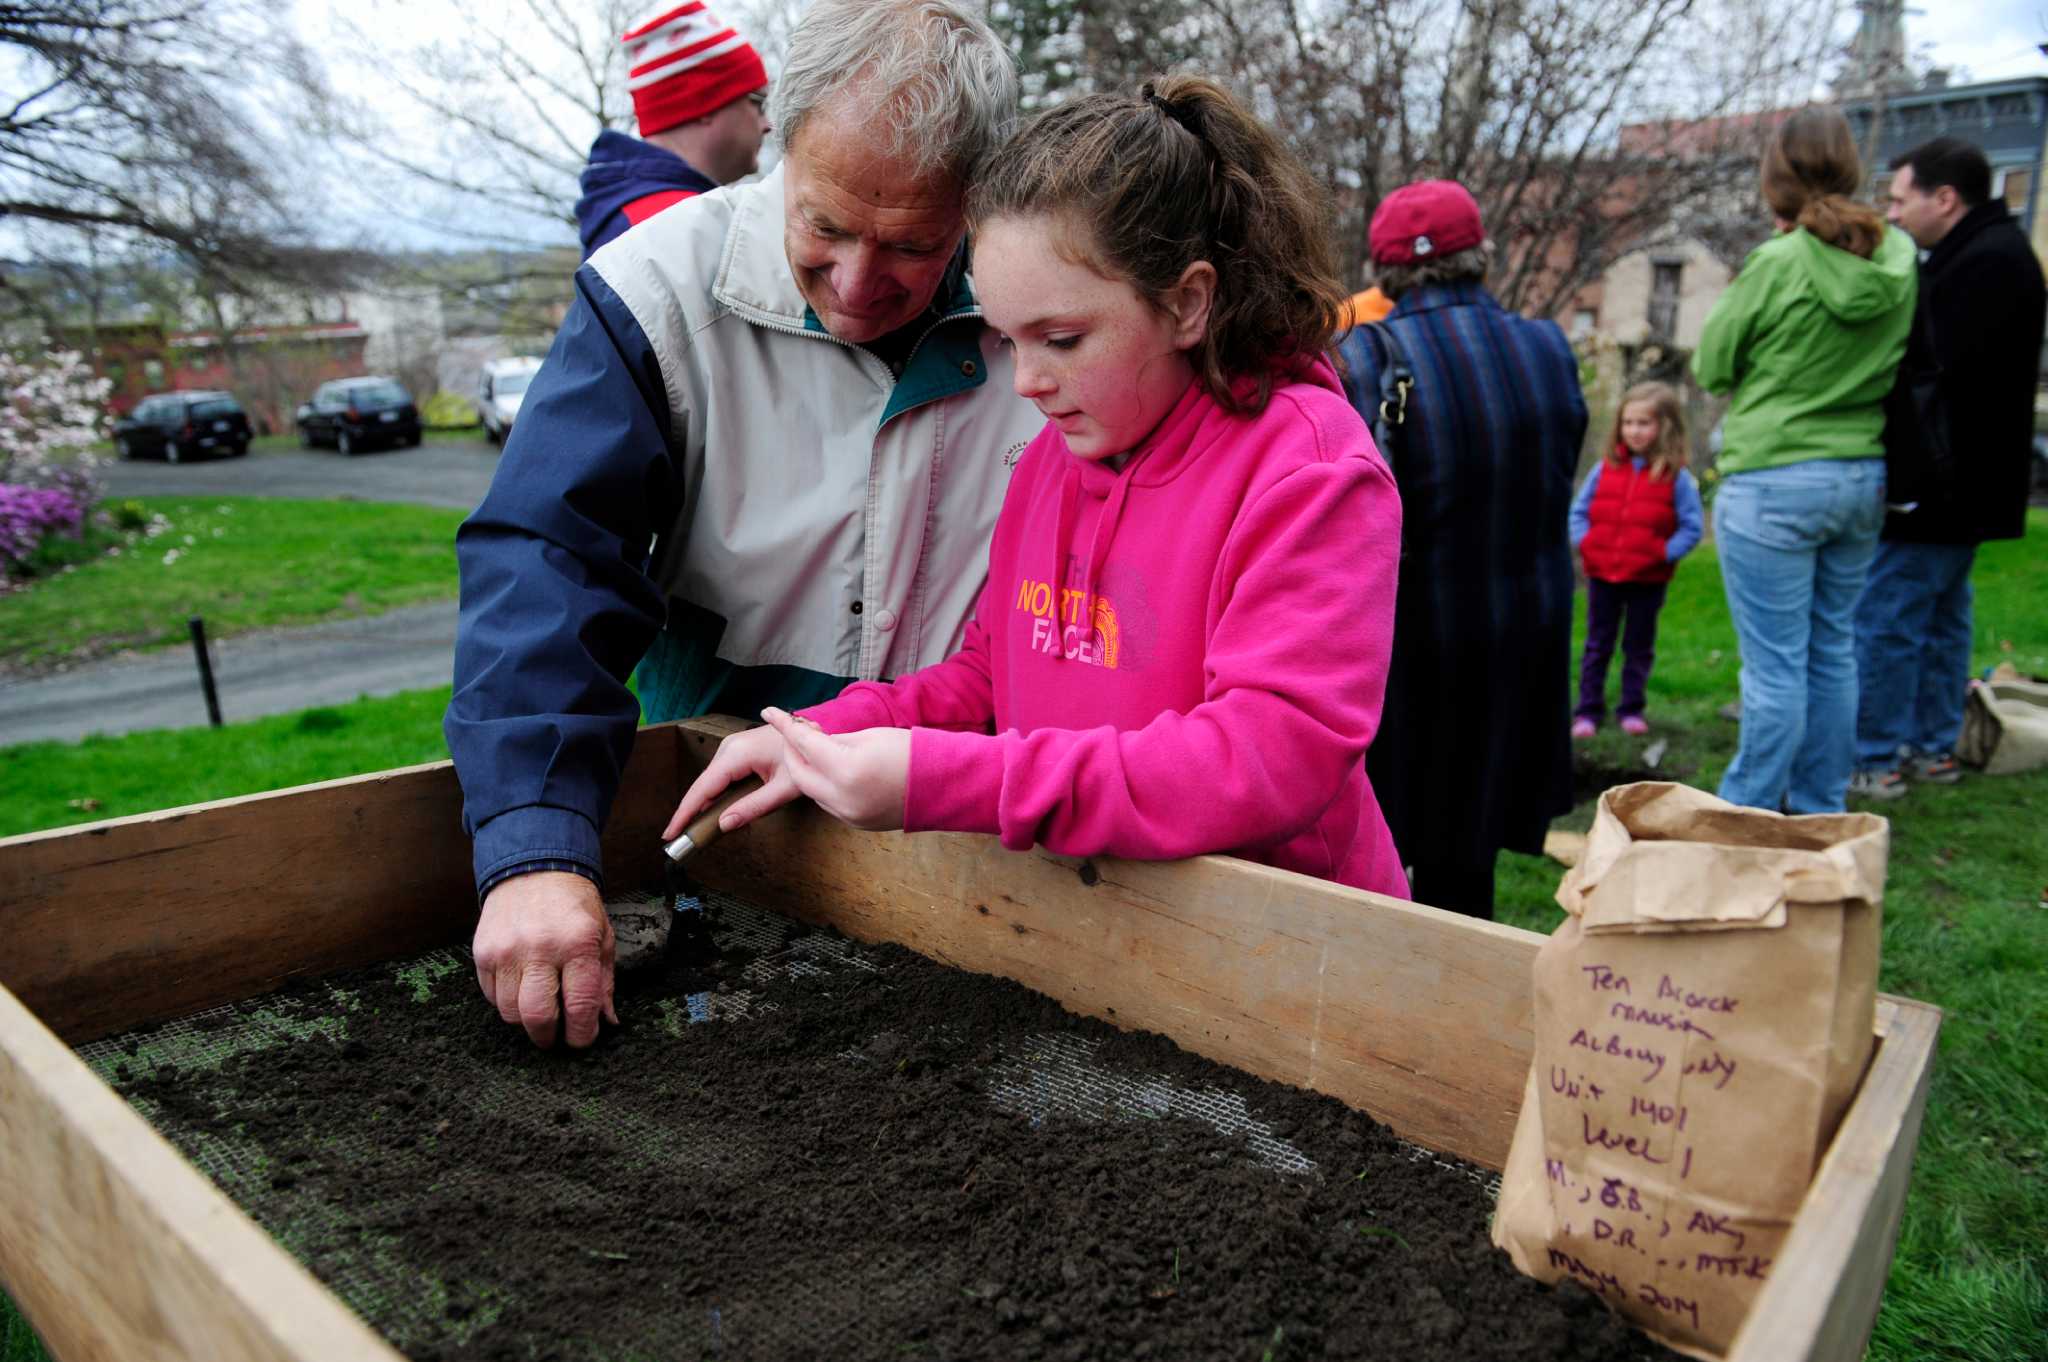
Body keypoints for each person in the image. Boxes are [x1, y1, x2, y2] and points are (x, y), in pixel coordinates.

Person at [446, 0, 1044, 1049]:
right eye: (823, 225)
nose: (859, 285)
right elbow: (549, 556)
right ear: (779, 142)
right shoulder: (655, 290)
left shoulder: (1050, 305)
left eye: (910, 243)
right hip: (728, 828)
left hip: (987, 837)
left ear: (977, 204)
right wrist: (536, 845)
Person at [664, 77, 1410, 900]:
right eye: (1009, 340)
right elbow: (995, 674)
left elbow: (1270, 755)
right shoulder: (1060, 449)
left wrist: (948, 781)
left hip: (1290, 953)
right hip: (1097, 920)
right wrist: (823, 737)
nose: (1027, 382)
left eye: (1060, 338)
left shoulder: (1309, 471)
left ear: (1189, 302)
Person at [1336, 181, 1585, 919]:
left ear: (1386, 268)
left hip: (1417, 644)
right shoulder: (1549, 347)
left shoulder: (1368, 354)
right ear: (1480, 253)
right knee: (1468, 856)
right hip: (1525, 630)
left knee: (1396, 844)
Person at [1692, 106, 1916, 814]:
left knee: (1776, 667)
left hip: (1774, 479)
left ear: (1775, 178)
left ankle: (1746, 814)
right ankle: (1820, 813)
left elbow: (1711, 364)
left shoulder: (1776, 262)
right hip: (1859, 476)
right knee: (1833, 652)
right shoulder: (1898, 256)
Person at [1849, 137, 2047, 798]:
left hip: (1938, 488)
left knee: (1891, 620)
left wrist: (1905, 479)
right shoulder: (2000, 255)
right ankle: (1930, 745)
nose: (1895, 214)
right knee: (1939, 620)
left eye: (1901, 199)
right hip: (1972, 488)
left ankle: (1875, 755)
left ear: (1945, 197)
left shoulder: (1976, 267)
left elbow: (1932, 384)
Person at [574, 3, 775, 259]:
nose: (767, 124)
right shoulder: (680, 227)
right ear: (704, 100)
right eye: (757, 103)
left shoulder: (637, 218)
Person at [1569, 380, 1705, 738]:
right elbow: (1578, 512)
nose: (1635, 431)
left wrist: (1661, 554)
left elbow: (1692, 527)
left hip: (1647, 580)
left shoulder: (1676, 478)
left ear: (1665, 426)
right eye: (1628, 423)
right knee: (1597, 644)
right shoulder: (1606, 468)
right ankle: (1587, 711)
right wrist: (1588, 544)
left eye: (1644, 423)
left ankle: (1631, 708)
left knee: (1638, 647)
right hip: (1603, 575)